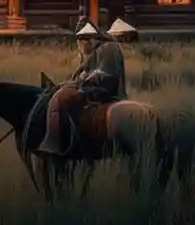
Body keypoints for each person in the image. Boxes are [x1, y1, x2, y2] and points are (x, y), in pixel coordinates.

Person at [36, 19, 127, 155]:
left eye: (81, 40)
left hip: (105, 91)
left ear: (88, 39)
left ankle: (55, 143)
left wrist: (81, 82)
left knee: (62, 98)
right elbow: (84, 75)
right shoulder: (92, 53)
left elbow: (106, 74)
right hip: (93, 87)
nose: (80, 45)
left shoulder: (107, 48)